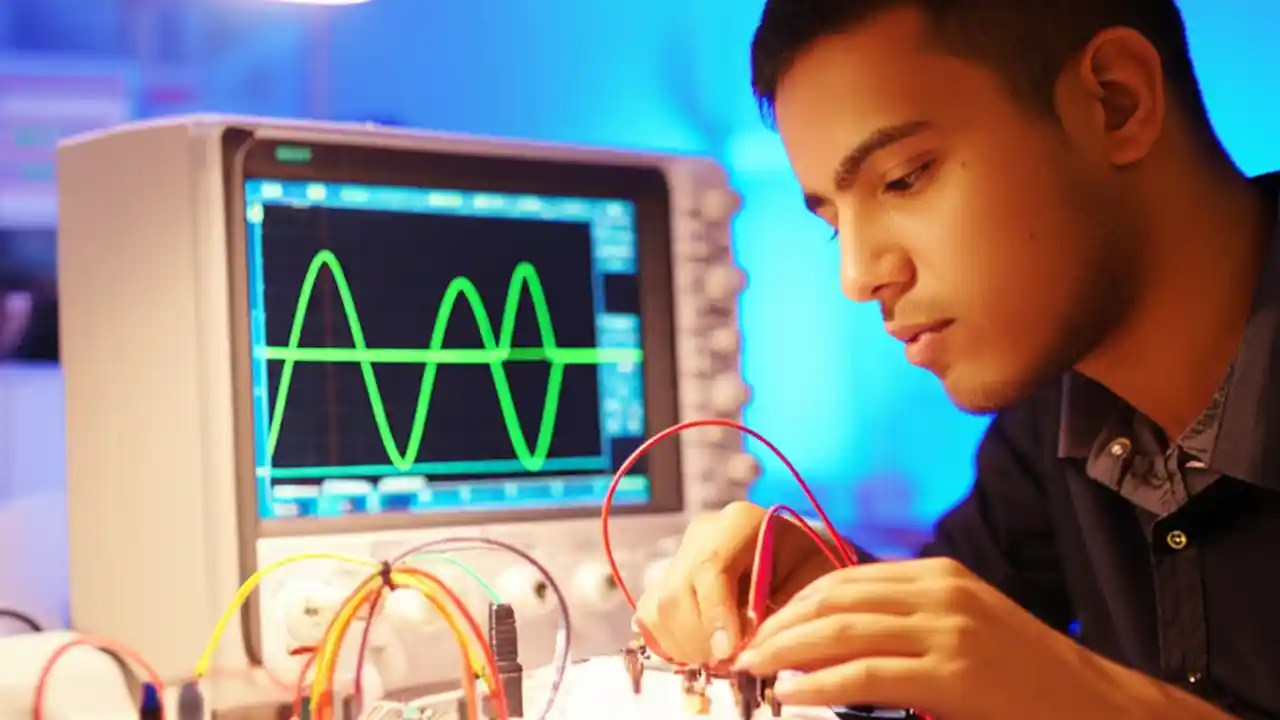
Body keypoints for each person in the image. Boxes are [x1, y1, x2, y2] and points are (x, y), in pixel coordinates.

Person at [634, 2, 1280, 718]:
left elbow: (1031, 676)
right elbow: (978, 642)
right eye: (832, 224)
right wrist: (825, 592)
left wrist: (1089, 703)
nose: (857, 276)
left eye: (905, 178)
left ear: (1116, 102)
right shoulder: (1062, 401)